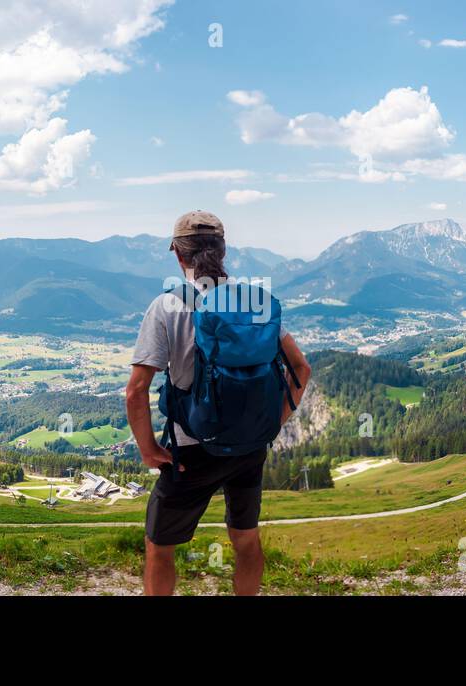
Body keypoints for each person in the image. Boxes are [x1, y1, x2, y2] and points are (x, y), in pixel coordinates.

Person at [125, 210, 311, 596]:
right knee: (245, 540)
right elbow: (301, 370)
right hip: (249, 446)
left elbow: (136, 390)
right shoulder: (253, 303)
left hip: (192, 450)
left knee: (160, 547)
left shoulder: (167, 306)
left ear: (178, 254)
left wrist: (147, 449)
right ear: (223, 251)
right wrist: (272, 423)